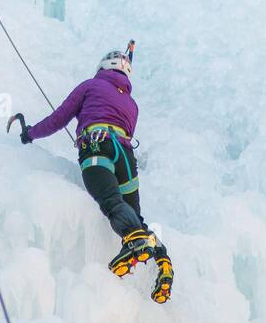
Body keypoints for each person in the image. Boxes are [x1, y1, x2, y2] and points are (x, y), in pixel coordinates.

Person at [16, 47, 173, 304]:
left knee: (111, 201)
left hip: (97, 145)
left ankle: (135, 242)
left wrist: (30, 133)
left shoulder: (90, 86)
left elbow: (59, 118)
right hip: (125, 154)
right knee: (134, 214)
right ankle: (162, 260)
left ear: (102, 68)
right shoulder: (132, 104)